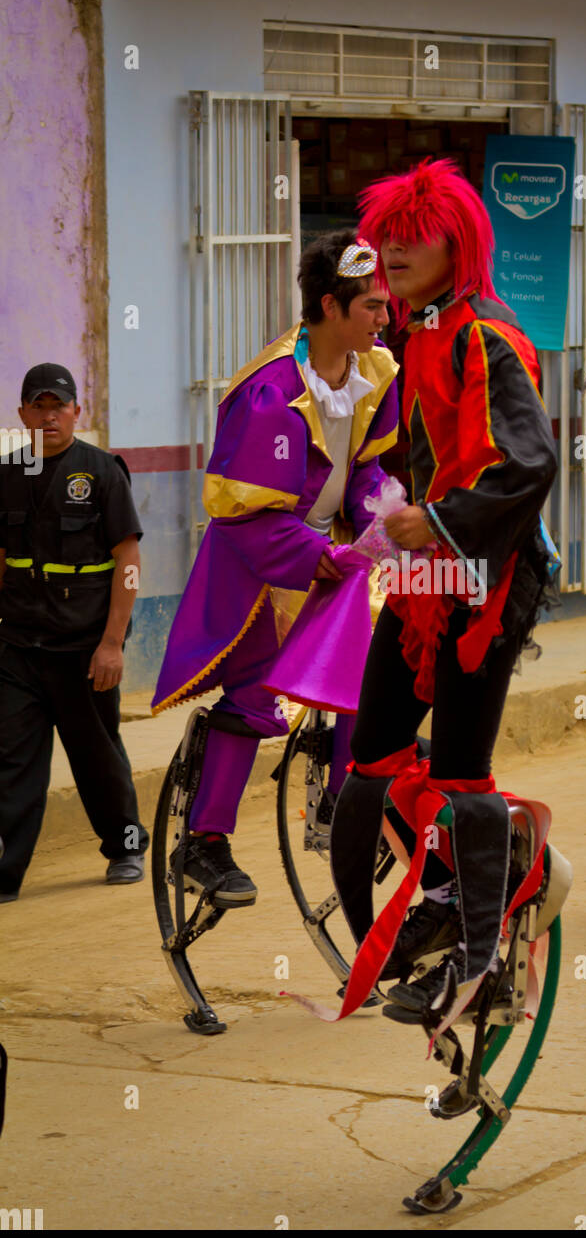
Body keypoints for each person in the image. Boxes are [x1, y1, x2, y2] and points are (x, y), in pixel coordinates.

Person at [327, 158, 558, 1025]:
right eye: (384, 235)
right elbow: (410, 455)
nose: (392, 248)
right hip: (427, 577)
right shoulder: (420, 334)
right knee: (373, 760)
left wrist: (443, 520)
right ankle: (433, 902)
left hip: (488, 579)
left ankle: (481, 948)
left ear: (455, 242)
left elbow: (527, 461)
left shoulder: (484, 335)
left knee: (461, 772)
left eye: (412, 235)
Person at [151, 231, 398, 908]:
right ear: (330, 305)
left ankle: (343, 803)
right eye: (373, 306)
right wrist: (328, 557)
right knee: (258, 698)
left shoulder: (374, 372)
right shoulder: (269, 392)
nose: (385, 319)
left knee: (370, 670)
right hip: (262, 568)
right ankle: (203, 843)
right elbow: (246, 517)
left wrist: (381, 516)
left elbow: (366, 466)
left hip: (332, 556)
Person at [0, 364, 148, 901]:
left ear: (75, 412)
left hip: (83, 648)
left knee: (96, 754)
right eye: (37, 406)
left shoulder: (102, 472)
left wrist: (113, 643)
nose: (49, 415)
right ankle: (5, 871)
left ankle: (126, 845)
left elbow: (128, 559)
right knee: (12, 759)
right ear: (22, 414)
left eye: (58, 405)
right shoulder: (7, 471)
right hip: (18, 645)